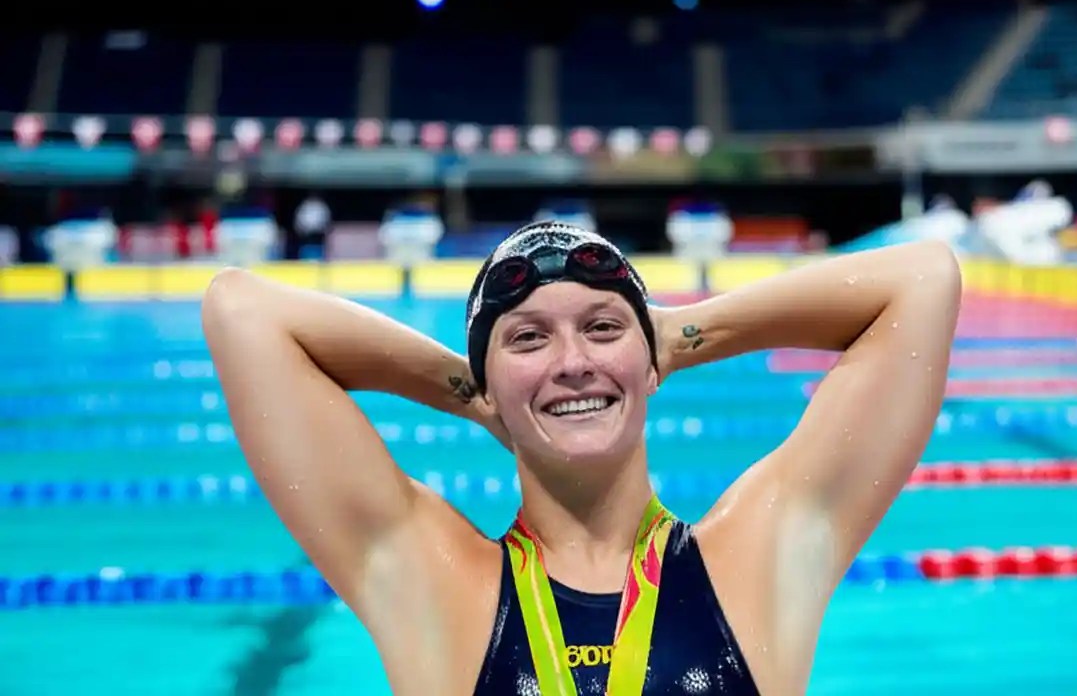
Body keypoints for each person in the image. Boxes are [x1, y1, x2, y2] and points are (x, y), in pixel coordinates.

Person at [202, 221, 961, 695]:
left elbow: (923, 280)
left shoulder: (759, 554)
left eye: (603, 329)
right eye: (528, 339)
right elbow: (242, 311)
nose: (572, 362)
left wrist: (677, 335)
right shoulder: (430, 581)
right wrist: (479, 394)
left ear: (650, 360)